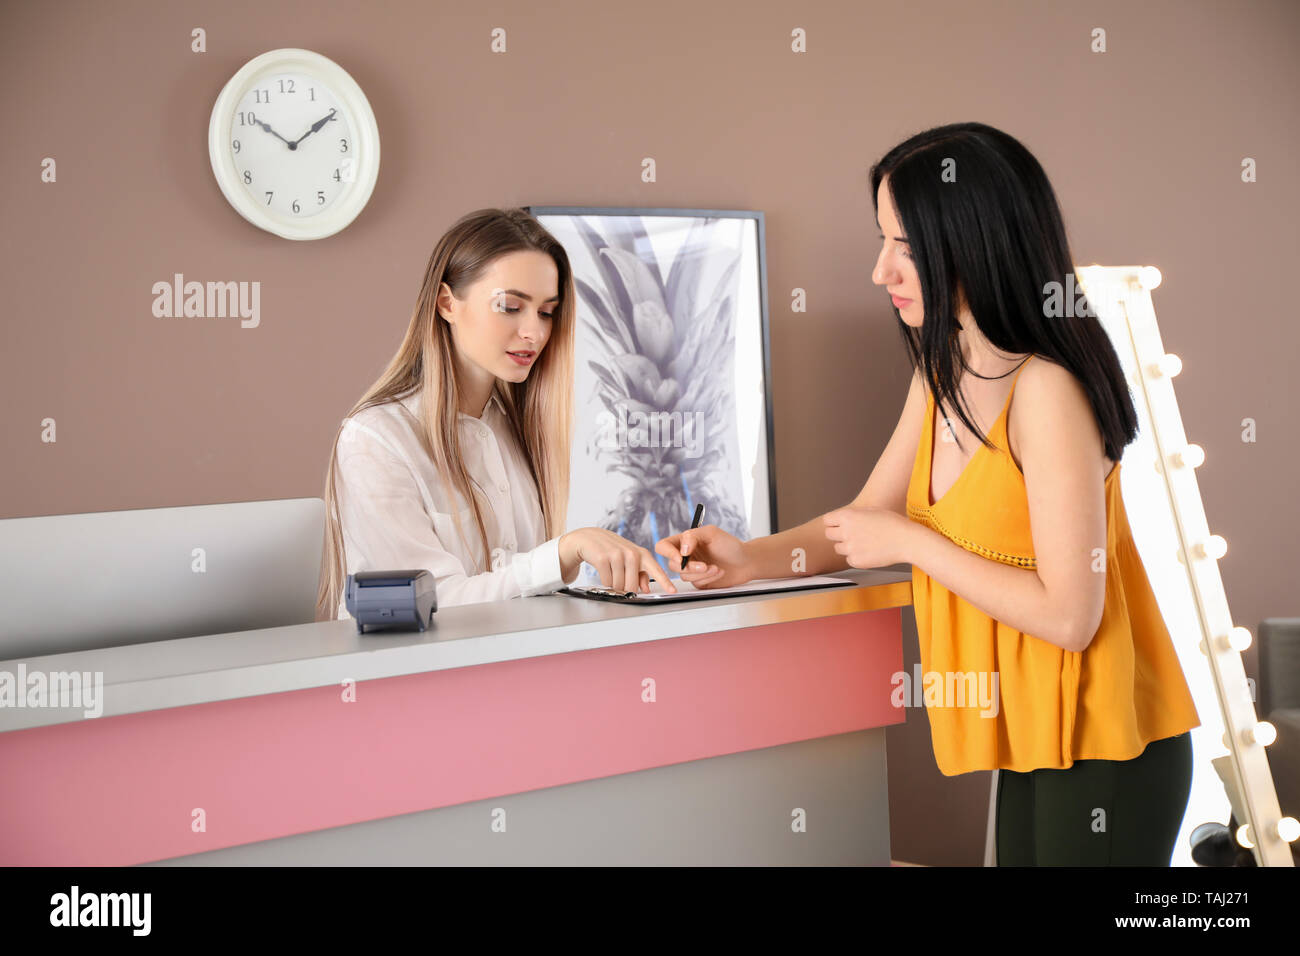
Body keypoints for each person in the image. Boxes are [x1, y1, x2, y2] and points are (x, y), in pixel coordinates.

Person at [655, 122, 1200, 866]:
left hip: (1106, 737)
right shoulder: (942, 372)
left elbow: (1072, 617)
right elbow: (868, 521)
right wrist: (748, 559)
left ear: (975, 241)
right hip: (1033, 729)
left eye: (905, 248)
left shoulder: (1045, 391)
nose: (882, 271)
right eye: (882, 242)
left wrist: (915, 545)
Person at [317, 208, 675, 621]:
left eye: (546, 312)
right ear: (447, 302)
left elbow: (518, 595)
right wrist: (562, 552)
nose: (535, 333)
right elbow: (428, 606)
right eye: (510, 306)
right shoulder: (376, 440)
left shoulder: (514, 430)